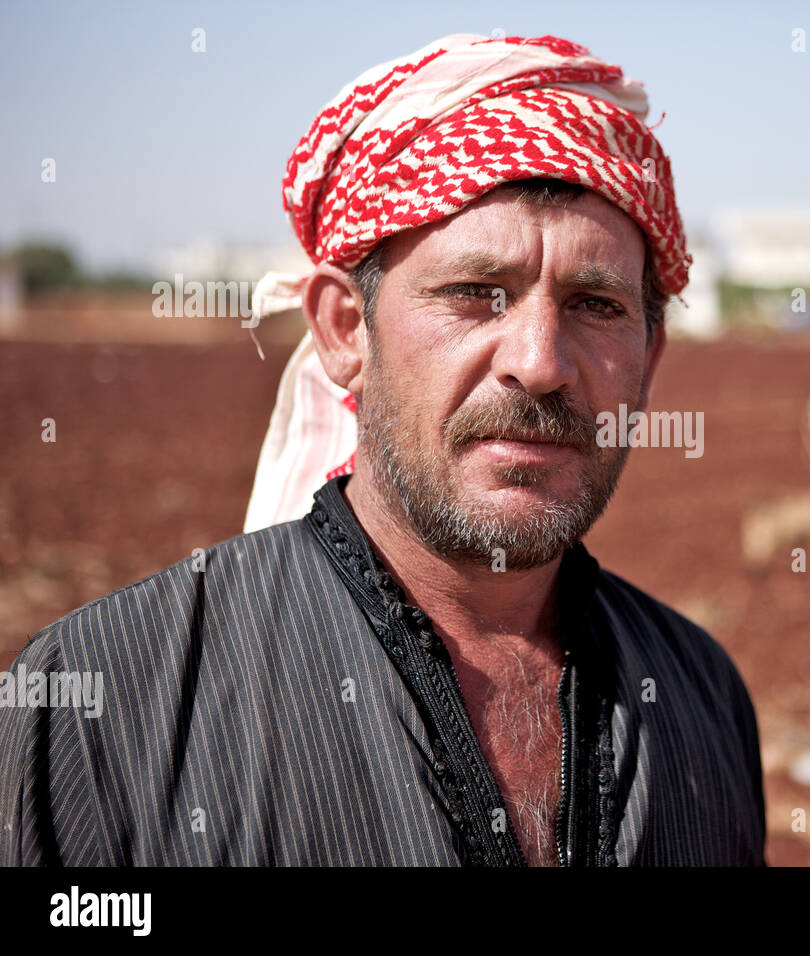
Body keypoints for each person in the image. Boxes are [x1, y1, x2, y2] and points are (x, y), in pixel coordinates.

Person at [0, 32, 766, 866]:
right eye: (476, 294)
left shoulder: (704, 699)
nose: (541, 365)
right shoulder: (101, 707)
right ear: (342, 331)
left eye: (596, 305)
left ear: (649, 362)